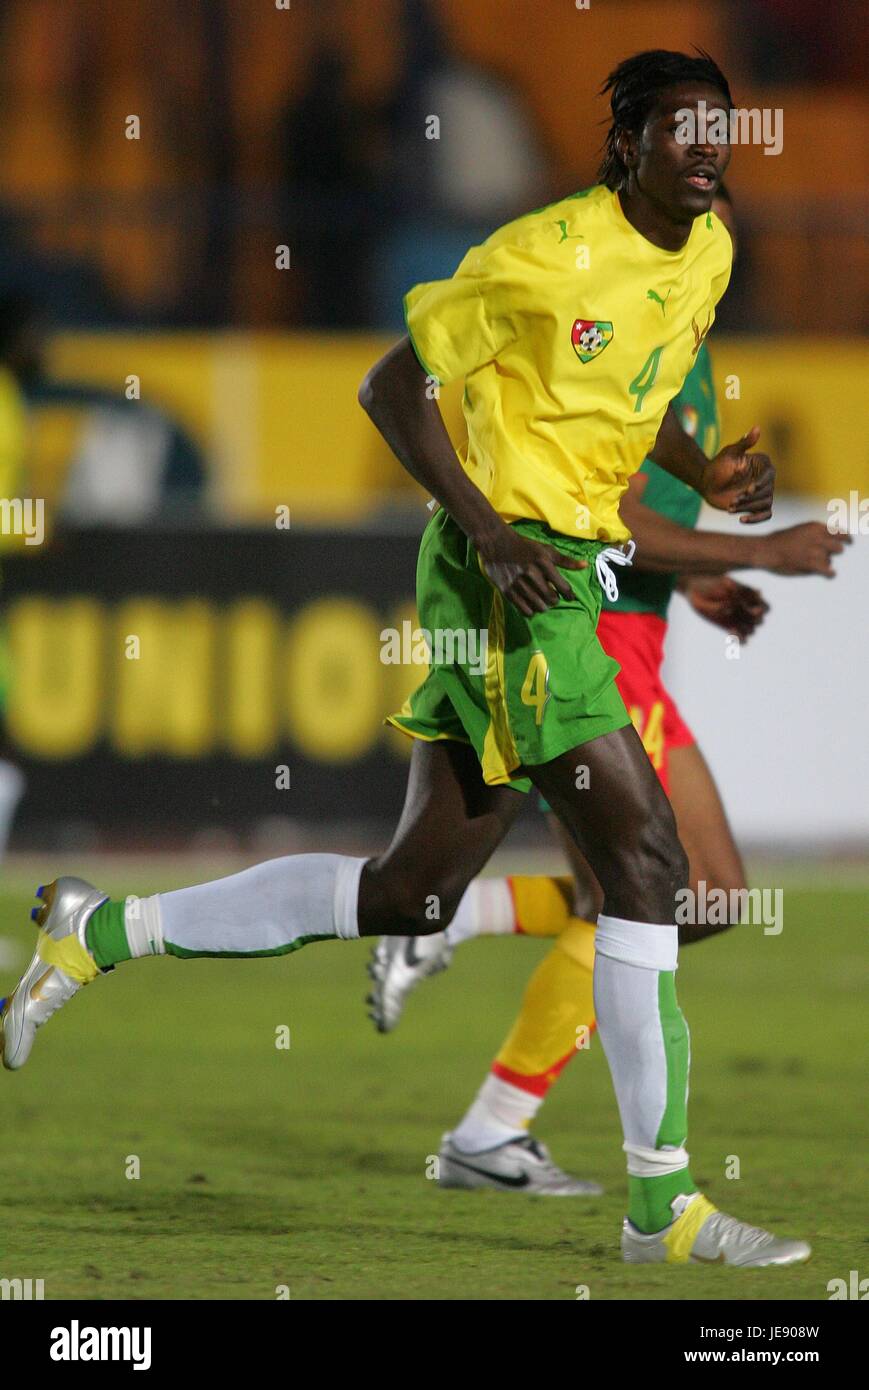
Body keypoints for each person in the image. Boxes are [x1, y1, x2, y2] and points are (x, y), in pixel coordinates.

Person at [1, 51, 809, 1268]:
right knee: (651, 868)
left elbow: (626, 399)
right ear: (625, 139)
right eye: (680, 127)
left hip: (558, 572)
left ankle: (100, 928)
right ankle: (663, 1209)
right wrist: (487, 531)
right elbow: (392, 386)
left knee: (407, 890)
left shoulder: (705, 254)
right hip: (505, 575)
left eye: (721, 127)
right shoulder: (540, 255)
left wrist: (703, 478)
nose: (706, 146)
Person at [366, 187, 848, 1195]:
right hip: (596, 638)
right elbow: (612, 508)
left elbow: (639, 502)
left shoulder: (681, 328)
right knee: (667, 891)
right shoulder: (627, 311)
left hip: (635, 626)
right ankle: (504, 1127)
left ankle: (456, 939)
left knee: (686, 893)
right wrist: (760, 550)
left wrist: (701, 575)